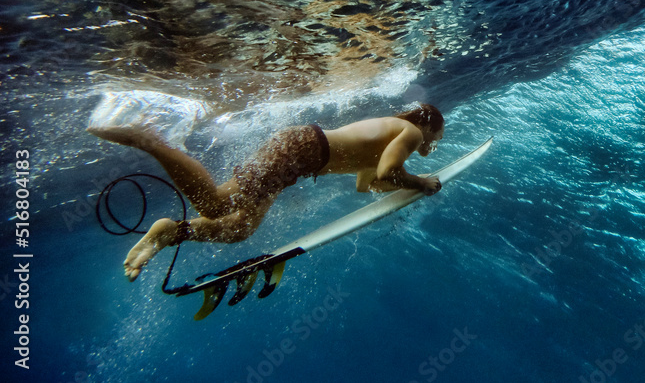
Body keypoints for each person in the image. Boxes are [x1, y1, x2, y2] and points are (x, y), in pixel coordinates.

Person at [88, 104, 445, 281]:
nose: (434, 142)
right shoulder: (411, 132)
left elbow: (368, 182)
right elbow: (389, 172)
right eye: (437, 135)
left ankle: (171, 231)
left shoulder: (388, 138)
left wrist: (404, 191)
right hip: (300, 149)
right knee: (216, 203)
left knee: (239, 229)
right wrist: (421, 183)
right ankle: (149, 140)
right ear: (428, 124)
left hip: (300, 156)